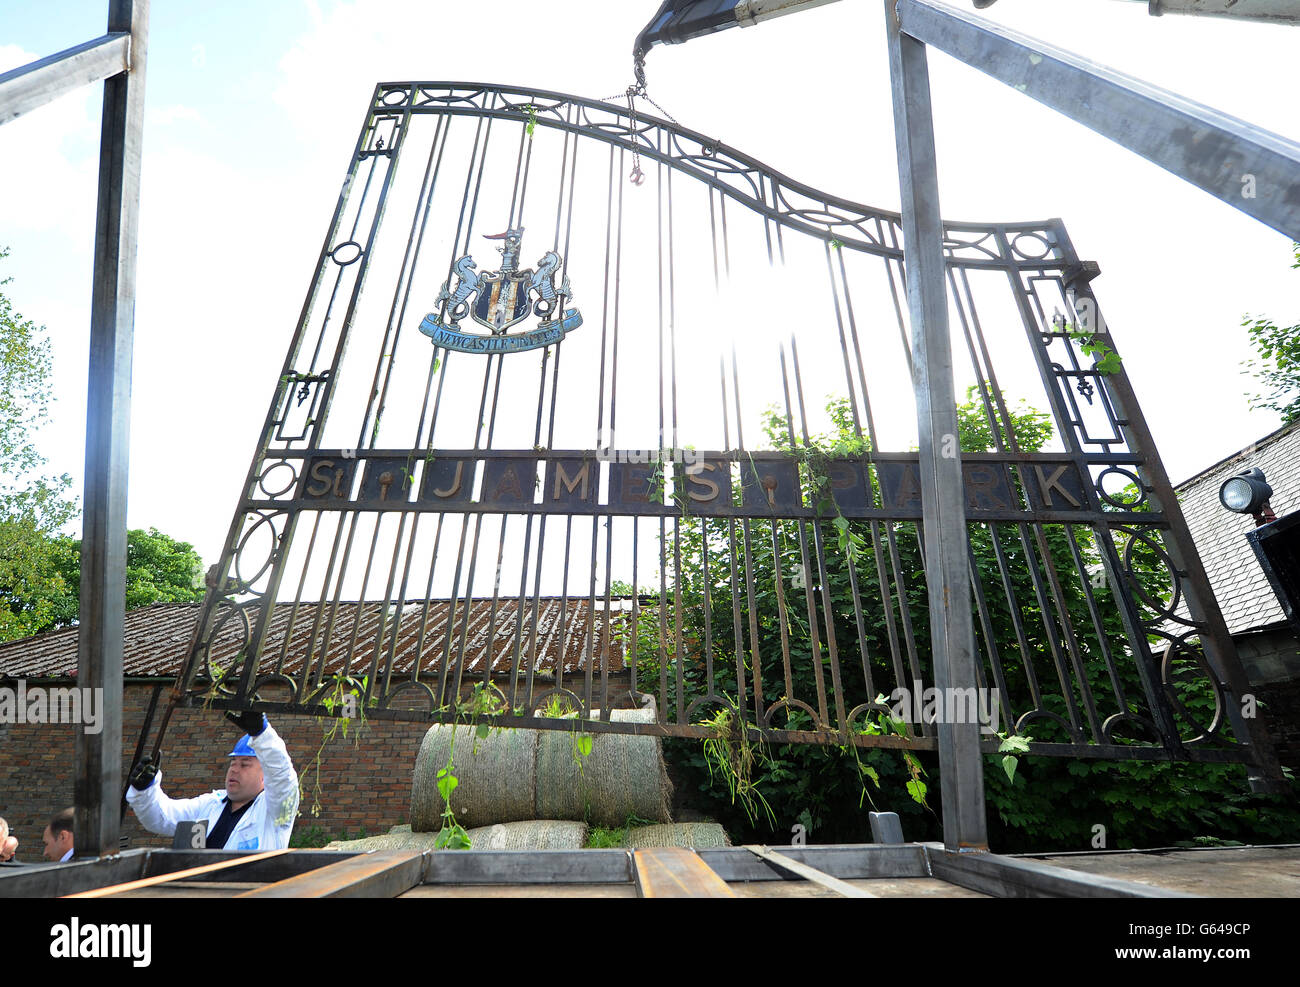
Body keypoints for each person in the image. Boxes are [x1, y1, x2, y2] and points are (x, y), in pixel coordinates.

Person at [126, 711, 299, 851]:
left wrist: (262, 735)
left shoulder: (275, 812)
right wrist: (145, 791)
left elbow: (282, 779)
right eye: (233, 763)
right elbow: (162, 818)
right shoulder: (211, 804)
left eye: (245, 764)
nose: (234, 769)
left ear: (265, 775)